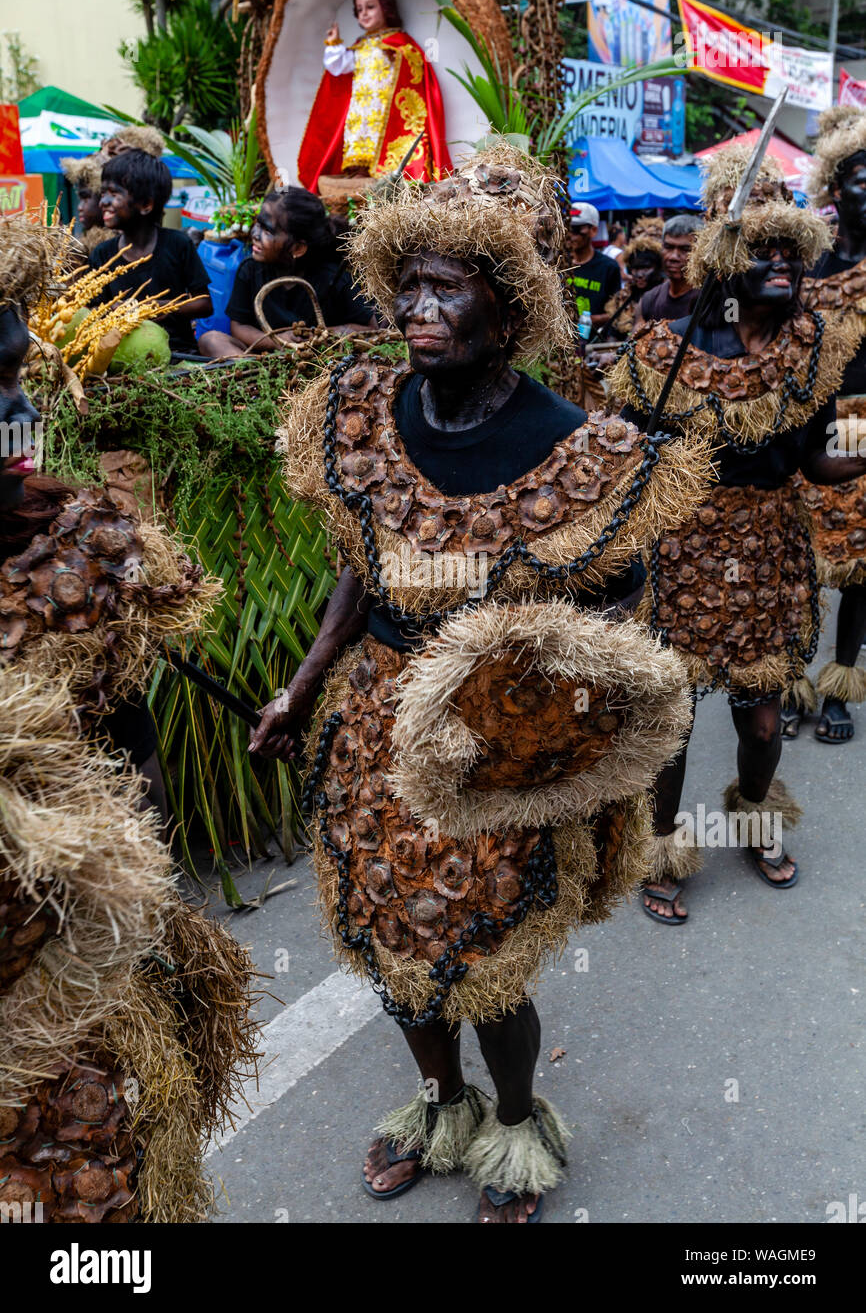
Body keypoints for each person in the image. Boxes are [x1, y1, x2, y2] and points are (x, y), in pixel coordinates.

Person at [249, 145, 710, 1221]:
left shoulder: (574, 449)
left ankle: (510, 1121)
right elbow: (356, 570)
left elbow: (617, 624)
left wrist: (548, 720)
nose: (416, 308)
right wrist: (303, 687)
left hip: (497, 742)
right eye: (406, 286)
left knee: (485, 954)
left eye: (444, 289)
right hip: (374, 724)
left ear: (504, 311)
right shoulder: (361, 413)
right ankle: (434, 1098)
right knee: (388, 939)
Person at [0, 214, 256, 1222]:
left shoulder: (81, 545)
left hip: (67, 984)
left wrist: (136, 903)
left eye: (15, 370)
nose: (18, 407)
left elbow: (126, 747)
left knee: (97, 1203)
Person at [608, 151, 866, 925]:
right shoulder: (673, 349)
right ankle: (658, 846)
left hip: (770, 551)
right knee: (677, 719)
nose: (781, 263)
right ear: (728, 265)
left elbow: (816, 461)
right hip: (684, 545)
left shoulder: (814, 349)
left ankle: (754, 818)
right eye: (764, 251)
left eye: (792, 252)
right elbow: (622, 445)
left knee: (758, 721)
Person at [782, 108, 866, 743]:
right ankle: (790, 679)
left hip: (864, 420)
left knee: (860, 565)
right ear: (836, 190)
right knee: (799, 559)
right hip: (806, 416)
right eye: (862, 177)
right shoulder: (805, 264)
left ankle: (840, 681)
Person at [298, 0, 450, 193]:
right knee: (361, 142)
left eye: (370, 7)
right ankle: (360, 174)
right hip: (361, 110)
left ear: (385, 8)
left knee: (384, 142)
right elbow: (338, 67)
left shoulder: (399, 42)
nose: (364, 14)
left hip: (387, 111)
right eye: (359, 9)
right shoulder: (361, 45)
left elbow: (415, 69)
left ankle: (391, 175)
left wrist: (399, 57)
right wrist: (334, 43)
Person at [198, 187, 376, 360]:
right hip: (266, 358)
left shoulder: (332, 277)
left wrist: (325, 335)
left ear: (298, 248)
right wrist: (277, 341)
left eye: (267, 230)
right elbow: (238, 326)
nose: (255, 234)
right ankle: (256, 376)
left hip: (319, 361)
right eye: (257, 224)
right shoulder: (249, 270)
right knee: (211, 339)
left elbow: (370, 329)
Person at [90, 149, 212, 355]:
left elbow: (204, 304)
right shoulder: (102, 255)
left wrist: (161, 307)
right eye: (103, 194)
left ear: (146, 204)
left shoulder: (178, 244)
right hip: (120, 356)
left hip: (178, 352)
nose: (103, 202)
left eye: (114, 193)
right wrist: (113, 309)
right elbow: (91, 312)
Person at [633, 214, 702, 329]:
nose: (673, 257)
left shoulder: (711, 300)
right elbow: (634, 341)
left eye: (685, 249)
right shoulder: (649, 300)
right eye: (668, 247)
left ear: (700, 252)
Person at [565, 201, 621, 328]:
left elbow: (616, 312)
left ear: (593, 230)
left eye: (577, 230)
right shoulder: (559, 262)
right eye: (568, 228)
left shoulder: (609, 268)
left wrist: (586, 320)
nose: (571, 236)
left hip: (592, 342)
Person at [600, 231, 664, 339]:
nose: (639, 275)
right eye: (636, 269)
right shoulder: (625, 297)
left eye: (645, 268)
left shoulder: (665, 295)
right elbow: (613, 334)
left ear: (657, 268)